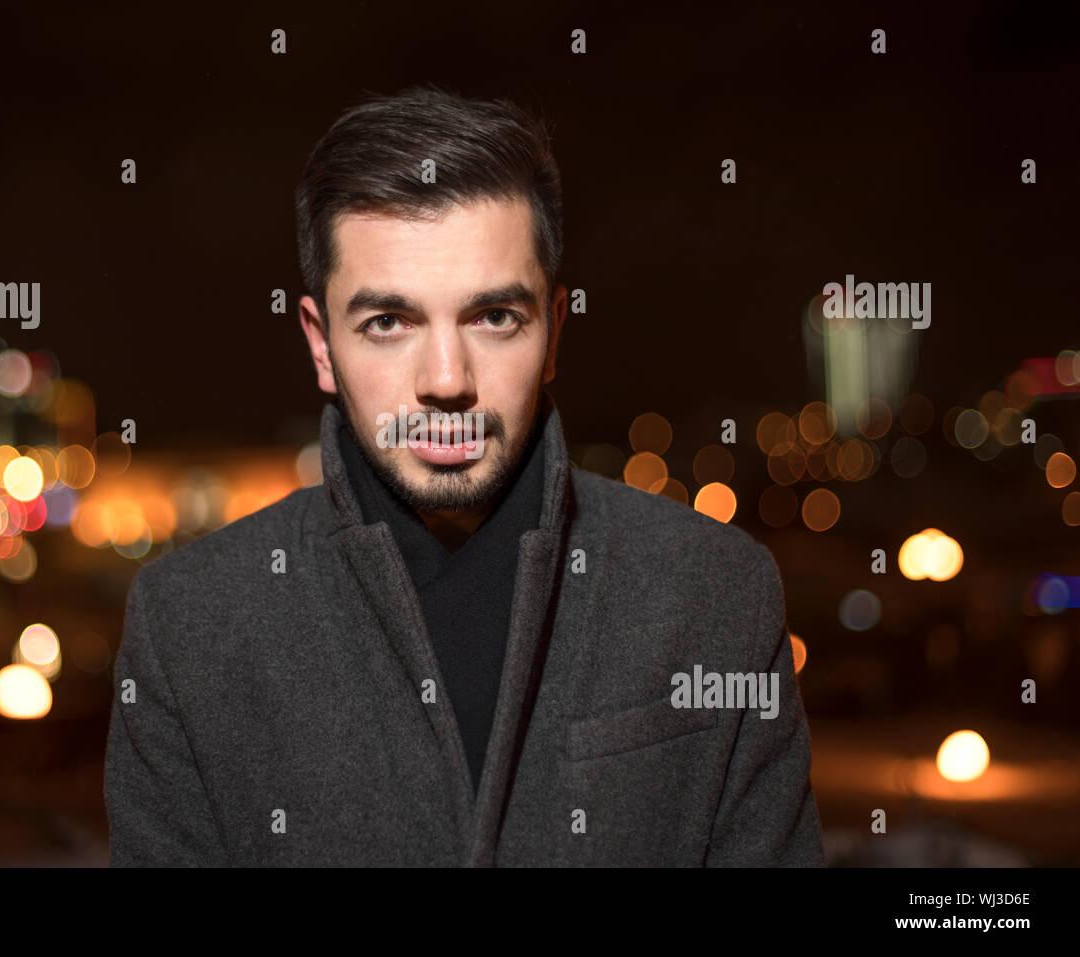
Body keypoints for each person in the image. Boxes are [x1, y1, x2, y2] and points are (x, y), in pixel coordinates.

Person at [104, 84, 825, 866]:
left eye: (493, 317)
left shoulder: (715, 590)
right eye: (388, 322)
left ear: (553, 330)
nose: (446, 379)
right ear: (320, 344)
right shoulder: (188, 626)